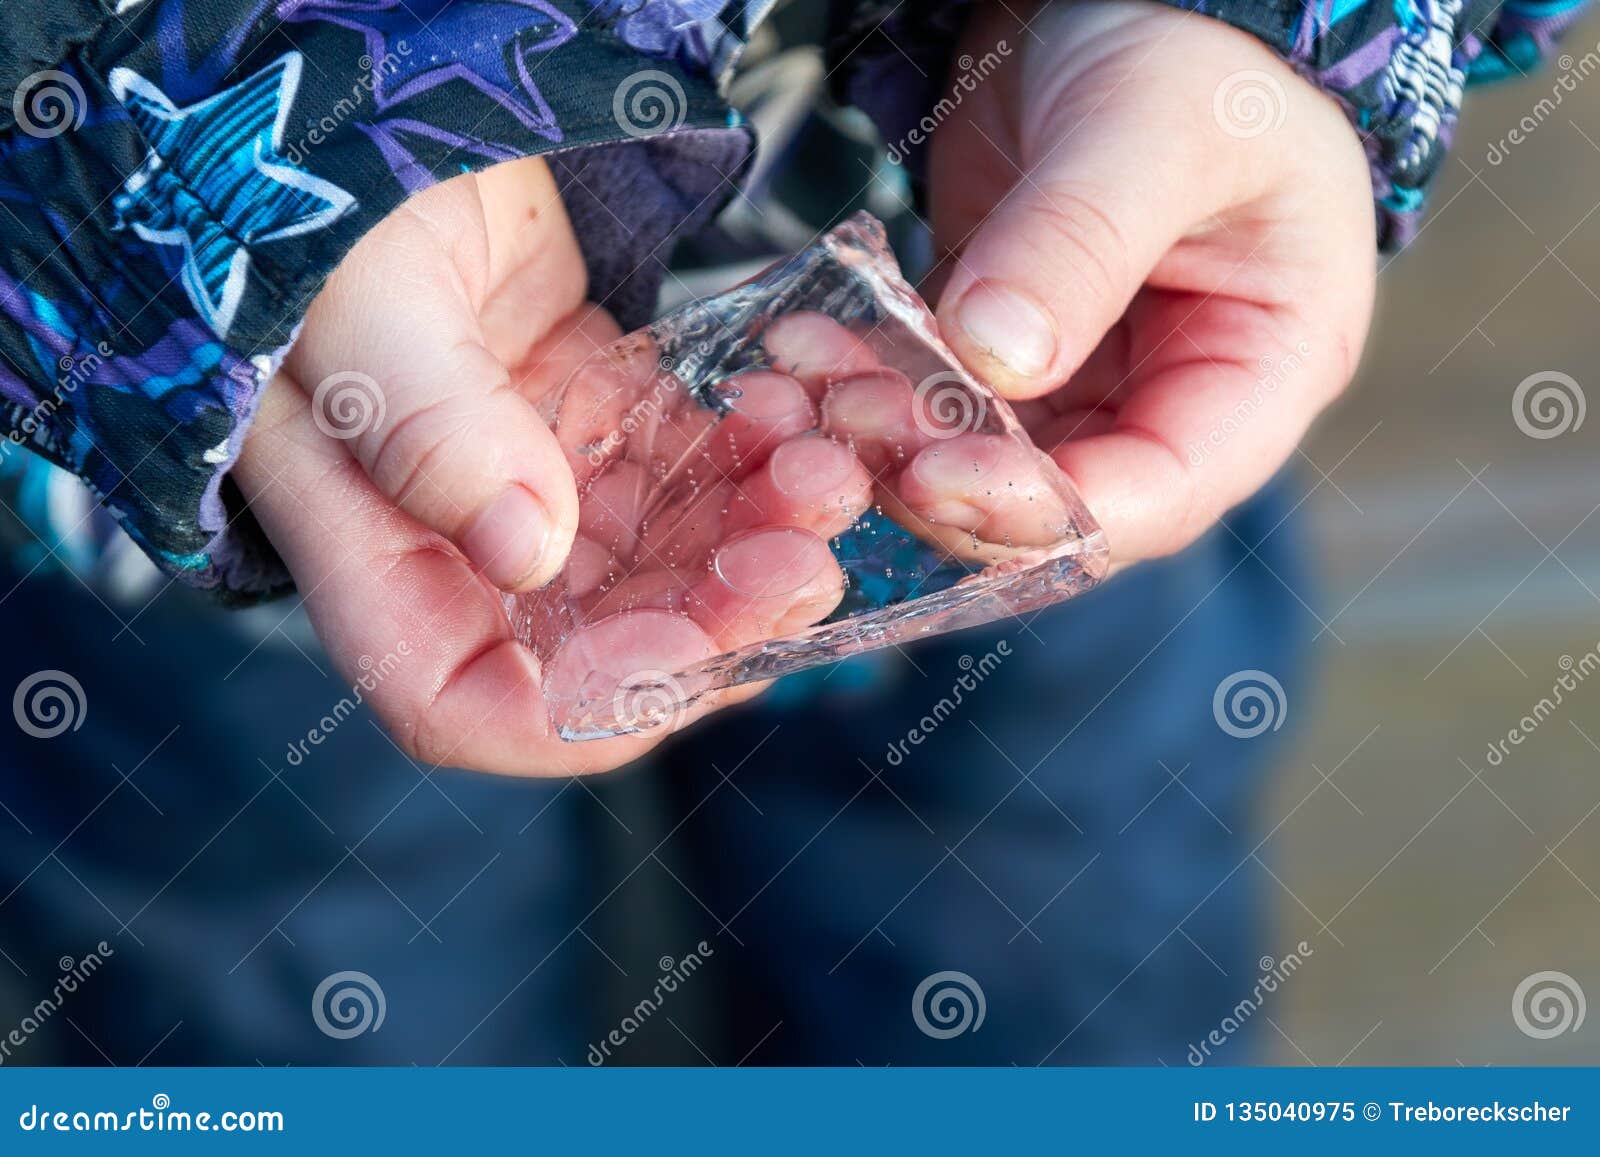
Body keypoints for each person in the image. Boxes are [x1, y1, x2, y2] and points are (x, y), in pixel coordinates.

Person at [0, 0, 1583, 1063]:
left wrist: (1249, 34)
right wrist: (232, 168)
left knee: (1044, 912)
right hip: (186, 449)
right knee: (293, 964)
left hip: (1009, 324)